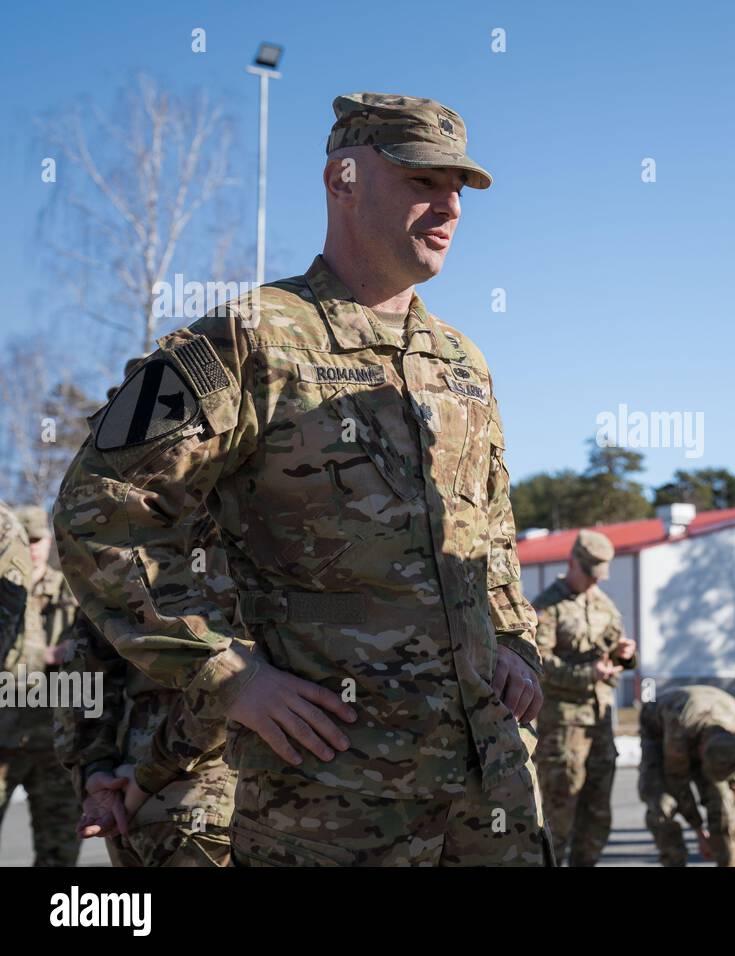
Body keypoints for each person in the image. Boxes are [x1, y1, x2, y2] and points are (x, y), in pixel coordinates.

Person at [55, 92, 548, 866]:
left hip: (490, 790)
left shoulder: (461, 362)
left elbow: (491, 529)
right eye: (423, 179)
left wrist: (517, 642)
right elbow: (100, 513)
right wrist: (228, 673)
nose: (449, 203)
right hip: (331, 802)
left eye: (458, 185)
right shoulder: (248, 340)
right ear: (343, 179)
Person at [55, 503, 238, 867]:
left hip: (129, 797)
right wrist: (135, 778)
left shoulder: (127, 537)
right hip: (214, 793)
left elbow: (79, 665)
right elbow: (236, 682)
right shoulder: (255, 525)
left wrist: (95, 772)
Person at [533, 529, 636, 865]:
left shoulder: (604, 605)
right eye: (589, 574)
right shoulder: (548, 607)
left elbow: (614, 656)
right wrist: (587, 674)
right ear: (572, 562)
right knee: (557, 821)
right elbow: (538, 662)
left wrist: (626, 655)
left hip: (599, 725)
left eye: (598, 576)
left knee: (597, 819)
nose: (593, 582)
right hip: (563, 730)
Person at [0, 506, 80, 866]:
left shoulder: (70, 592)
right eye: (26, 539)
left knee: (59, 850)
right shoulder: (6, 584)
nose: (31, 547)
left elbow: (95, 653)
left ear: (49, 542)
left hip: (53, 745)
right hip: (3, 739)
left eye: (37, 540)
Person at [638, 684, 735, 867]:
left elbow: (734, 784)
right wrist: (699, 831)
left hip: (705, 723)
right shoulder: (680, 729)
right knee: (661, 805)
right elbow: (677, 783)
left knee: (723, 804)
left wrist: (726, 815)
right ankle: (674, 860)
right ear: (699, 751)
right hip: (659, 730)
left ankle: (727, 862)